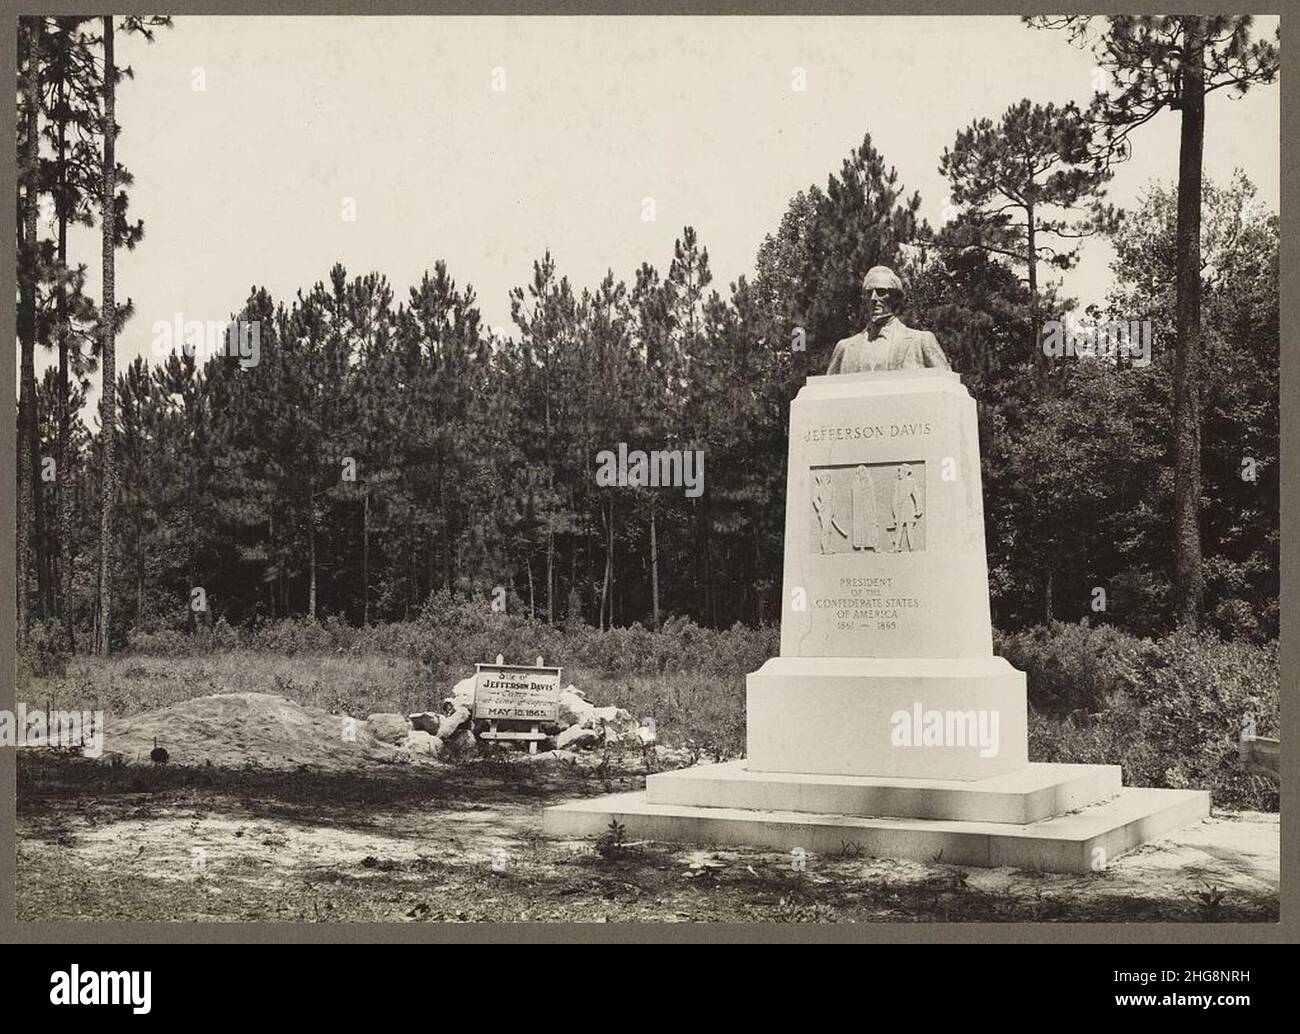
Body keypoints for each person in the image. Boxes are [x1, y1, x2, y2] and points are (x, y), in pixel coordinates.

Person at [826, 266, 950, 374]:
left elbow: (948, 385)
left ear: (895, 298)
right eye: (869, 293)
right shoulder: (845, 348)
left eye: (881, 292)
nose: (874, 298)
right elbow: (826, 393)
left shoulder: (920, 341)